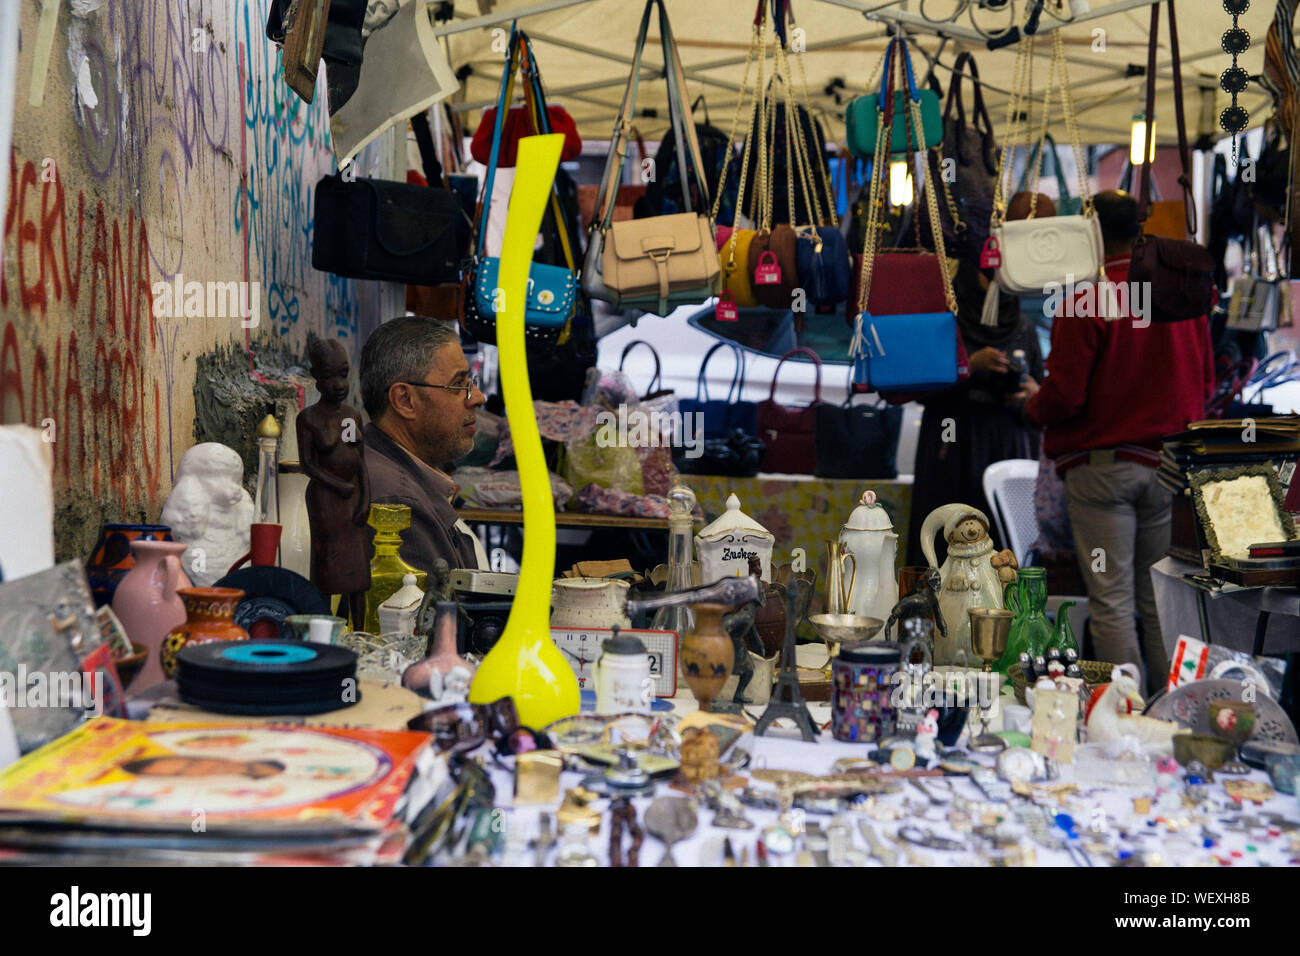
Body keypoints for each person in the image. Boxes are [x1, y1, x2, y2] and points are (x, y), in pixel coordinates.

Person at [1019, 190, 1215, 695]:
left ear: (1091, 232)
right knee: (1157, 602)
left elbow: (1064, 396)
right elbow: (1207, 384)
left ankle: (1123, 722)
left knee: (1111, 602)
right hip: (1169, 469)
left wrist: (1033, 403)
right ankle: (1168, 712)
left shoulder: (1088, 298)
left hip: (1103, 474)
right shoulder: (1182, 297)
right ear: (1141, 230)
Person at [359, 316, 490, 573]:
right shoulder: (397, 506)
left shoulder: (392, 472)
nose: (477, 397)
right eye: (457, 384)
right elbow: (437, 613)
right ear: (405, 400)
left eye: (471, 383)